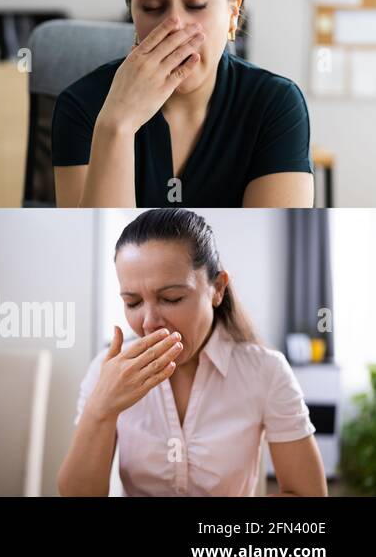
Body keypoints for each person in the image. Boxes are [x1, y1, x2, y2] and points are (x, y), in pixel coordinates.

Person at [58, 208, 326, 496]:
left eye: (171, 298)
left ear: (218, 289)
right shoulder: (106, 371)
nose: (149, 323)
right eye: (133, 302)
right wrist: (101, 408)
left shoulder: (266, 371)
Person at [53, 0, 312, 207]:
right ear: (133, 14)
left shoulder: (275, 103)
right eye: (152, 5)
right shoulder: (80, 105)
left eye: (197, 3)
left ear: (233, 14)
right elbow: (99, 241)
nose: (174, 25)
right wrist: (117, 125)